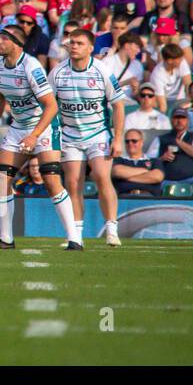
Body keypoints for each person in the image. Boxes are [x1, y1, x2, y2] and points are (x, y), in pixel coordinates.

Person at [0, 23, 80, 250]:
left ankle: (75, 238)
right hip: (19, 127)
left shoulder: (31, 66)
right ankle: (6, 239)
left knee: (51, 177)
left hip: (42, 126)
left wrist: (34, 136)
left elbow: (51, 106)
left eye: (3, 39)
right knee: (2, 176)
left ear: (16, 43)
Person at [51, 28, 125, 249]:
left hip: (98, 133)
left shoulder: (102, 71)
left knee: (102, 177)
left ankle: (111, 229)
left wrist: (118, 138)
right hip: (70, 134)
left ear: (91, 48)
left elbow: (119, 105)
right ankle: (76, 235)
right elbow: (48, 104)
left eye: (80, 43)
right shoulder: (57, 72)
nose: (74, 46)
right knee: (73, 184)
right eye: (72, 42)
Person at [147, 106, 193, 197]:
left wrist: (179, 142)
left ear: (188, 120)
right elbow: (148, 162)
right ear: (171, 120)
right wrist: (162, 158)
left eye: (182, 118)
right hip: (167, 180)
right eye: (176, 118)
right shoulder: (160, 139)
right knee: (155, 185)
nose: (179, 121)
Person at [111, 130, 164, 197]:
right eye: (127, 141)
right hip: (124, 197)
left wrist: (125, 177)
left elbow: (157, 177)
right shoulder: (119, 160)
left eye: (134, 141)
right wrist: (145, 171)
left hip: (149, 198)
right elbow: (116, 171)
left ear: (141, 142)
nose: (130, 144)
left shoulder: (154, 161)